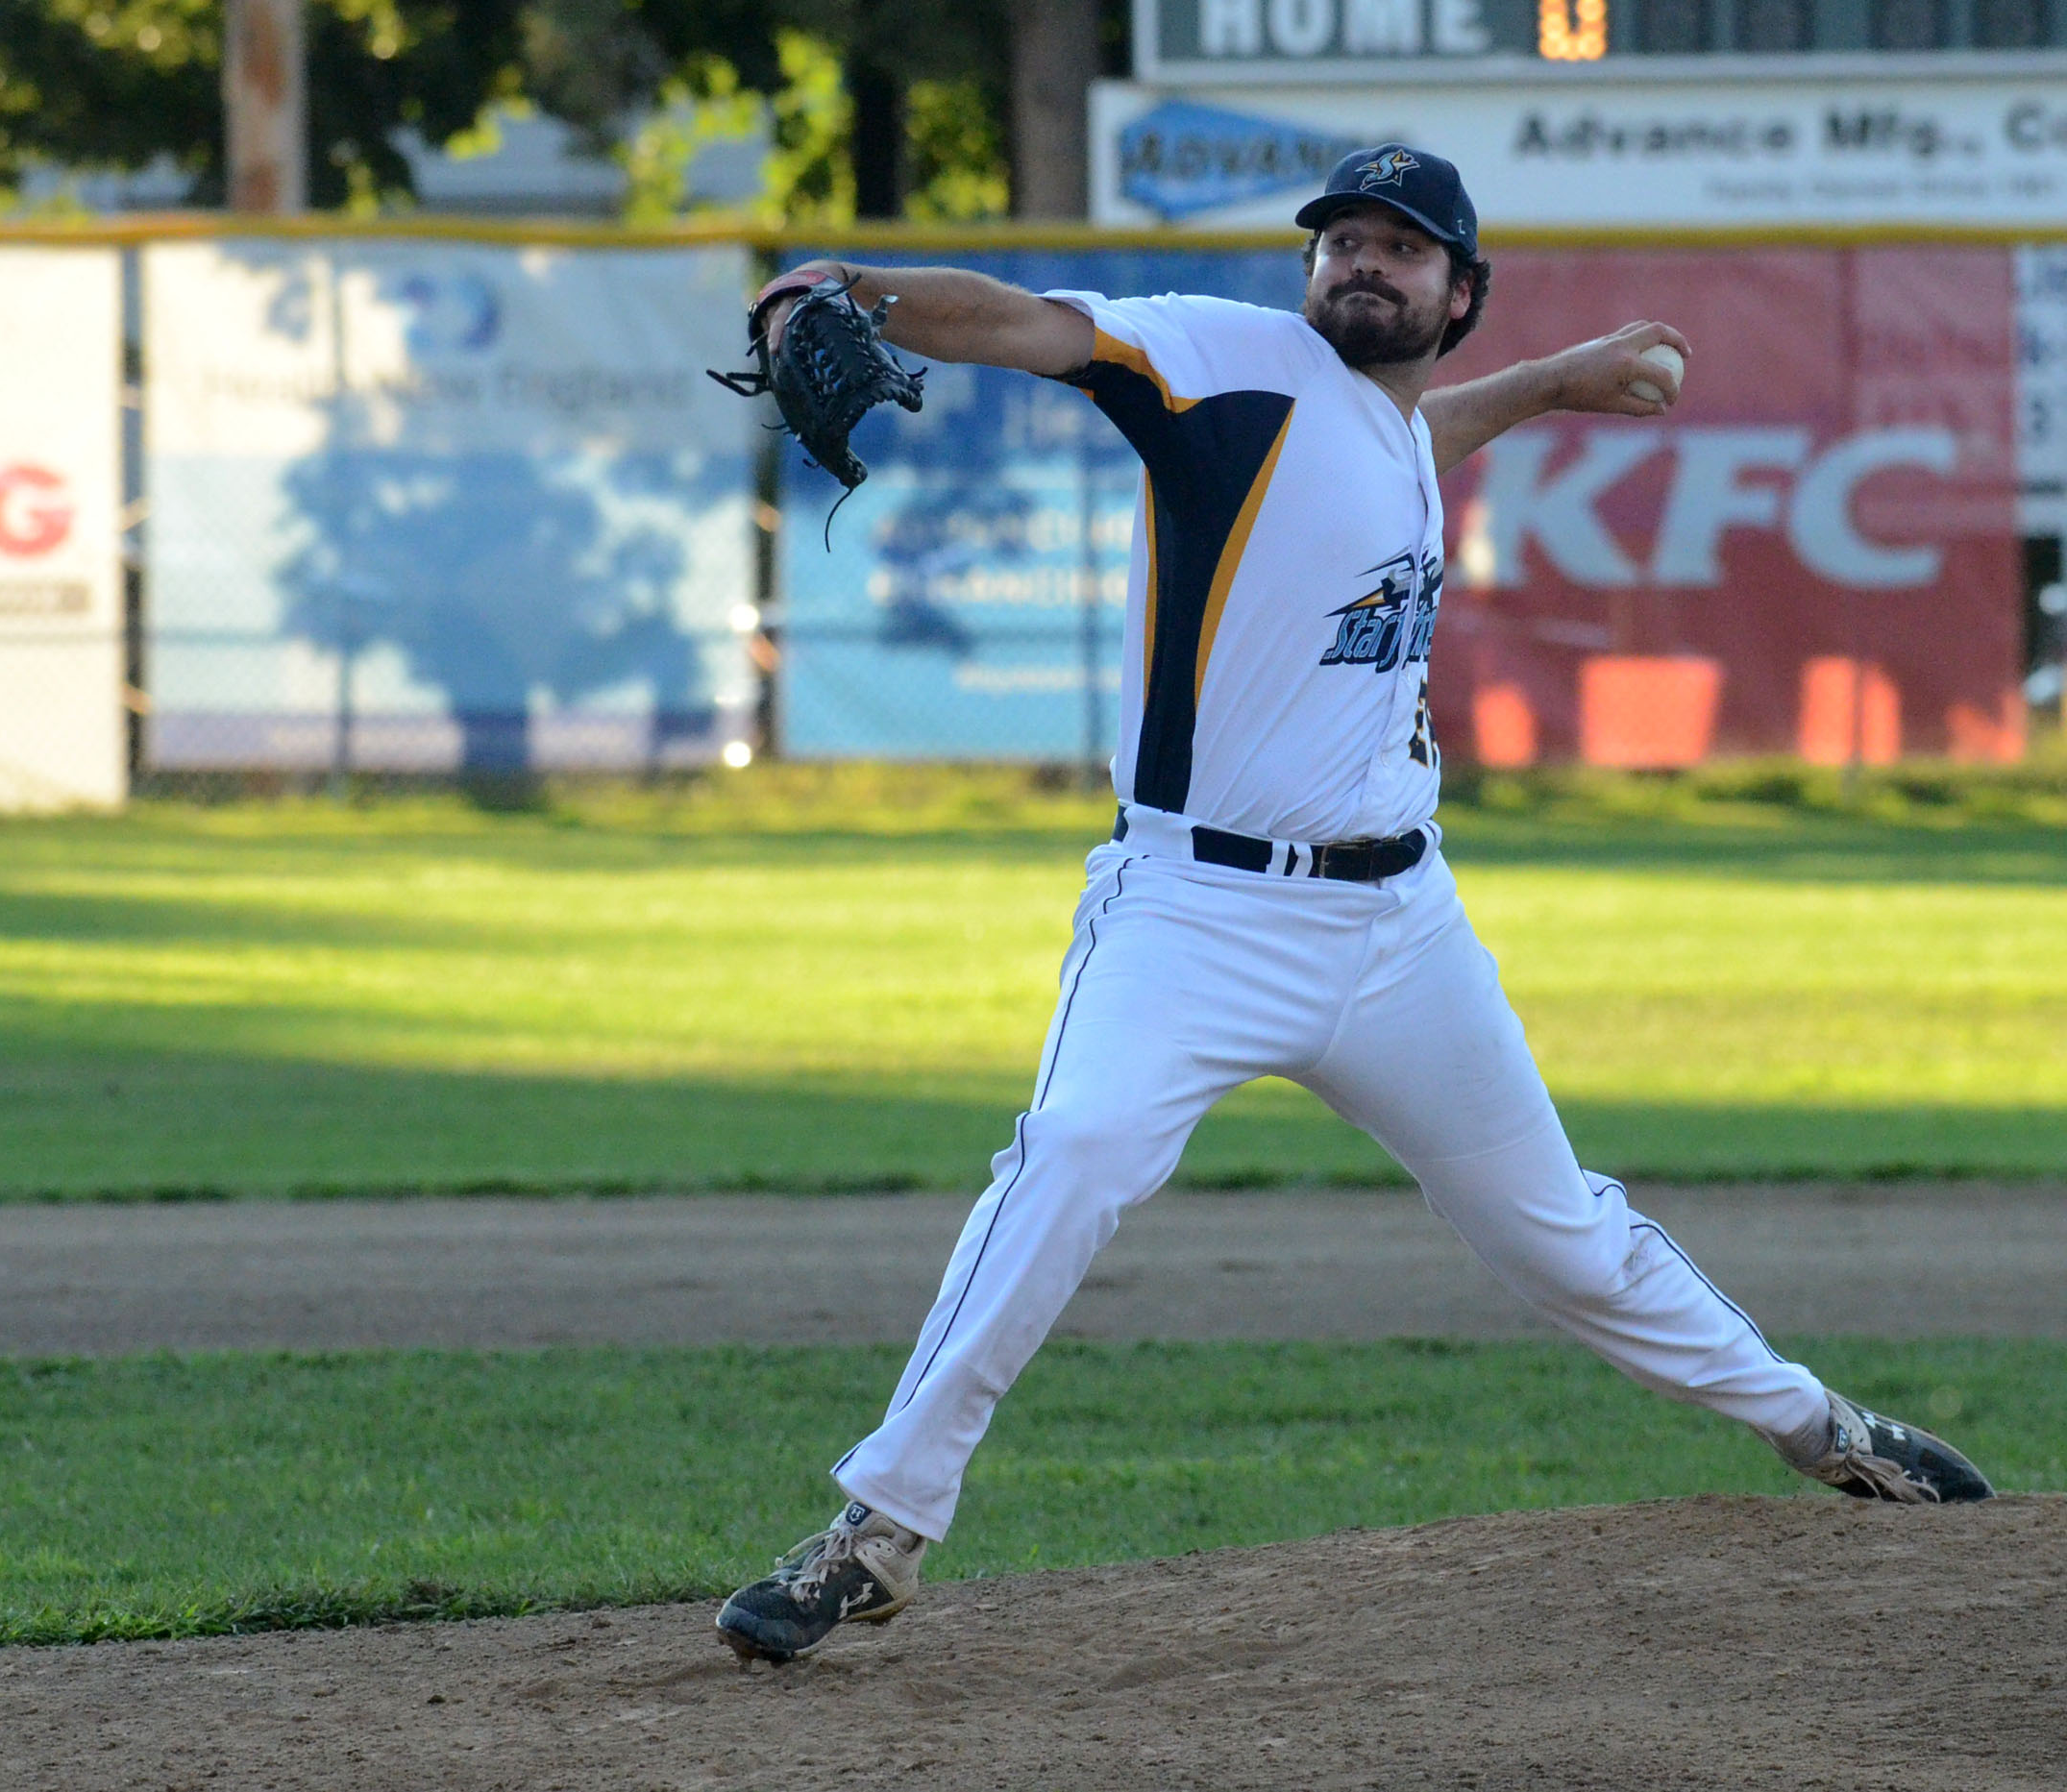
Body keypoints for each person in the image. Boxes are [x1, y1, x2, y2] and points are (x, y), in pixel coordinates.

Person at [716, 144, 1991, 1666]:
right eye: (1344, 239)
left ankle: (1823, 1425)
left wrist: (1555, 382)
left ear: (1460, 293)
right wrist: (841, 289)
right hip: (1197, 910)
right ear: (1310, 268)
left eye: (1403, 246)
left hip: (1400, 928)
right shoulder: (1225, 364)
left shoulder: (1384, 424)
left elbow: (1407, 434)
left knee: (1566, 1236)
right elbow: (1026, 324)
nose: (1364, 262)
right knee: (1071, 1151)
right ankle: (881, 1528)